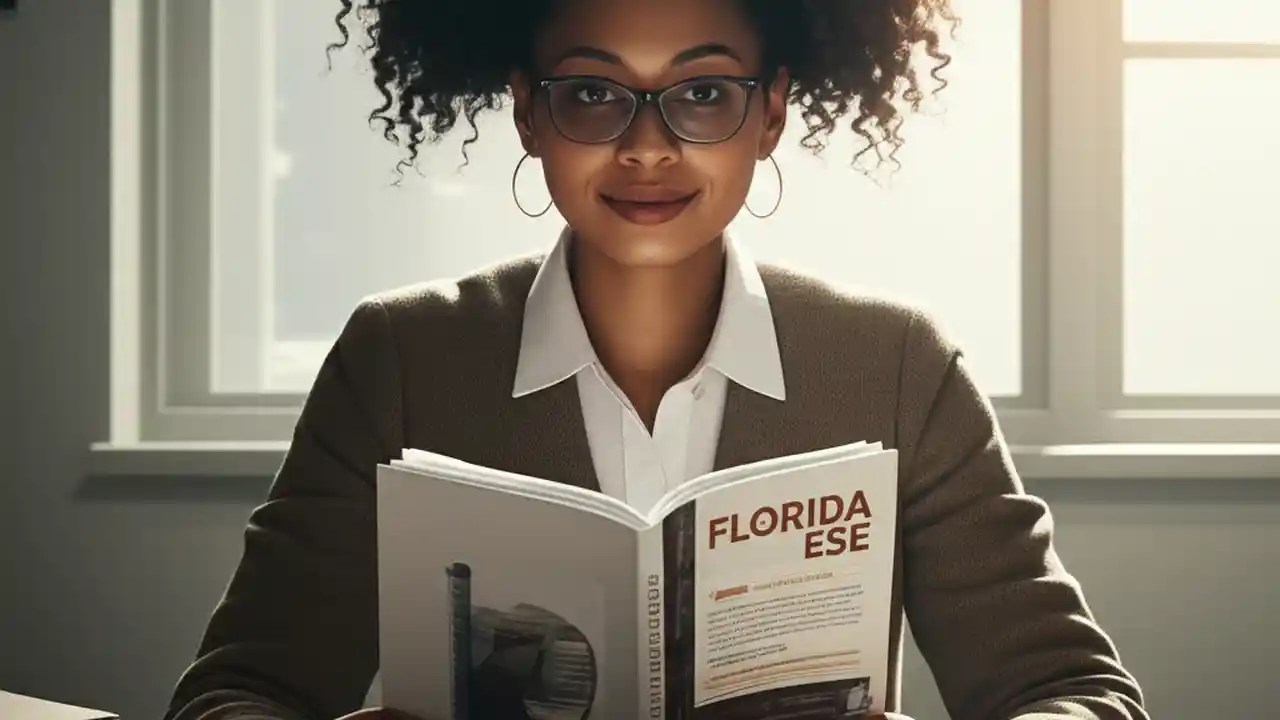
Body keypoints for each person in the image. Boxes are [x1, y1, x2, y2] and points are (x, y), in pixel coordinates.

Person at [163, 1, 1150, 719]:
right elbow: (237, 693)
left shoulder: (896, 364)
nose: (646, 146)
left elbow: (1073, 695)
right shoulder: (399, 357)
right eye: (592, 93)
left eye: (702, 94)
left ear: (769, 113)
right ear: (527, 115)